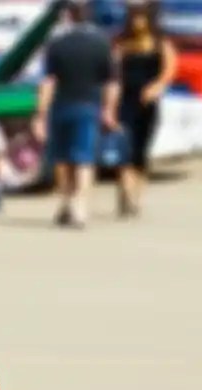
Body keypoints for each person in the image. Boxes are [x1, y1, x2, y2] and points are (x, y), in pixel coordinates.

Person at [33, 0, 117, 228]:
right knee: (84, 159)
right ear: (88, 13)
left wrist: (40, 114)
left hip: (62, 105)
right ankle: (79, 207)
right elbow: (110, 81)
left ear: (68, 14)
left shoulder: (57, 43)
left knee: (64, 160)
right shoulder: (101, 43)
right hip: (88, 106)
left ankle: (66, 203)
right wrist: (109, 111)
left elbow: (48, 81)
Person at [114, 1, 176, 217]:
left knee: (141, 151)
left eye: (140, 15)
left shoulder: (160, 42)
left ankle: (137, 195)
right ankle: (127, 193)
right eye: (133, 15)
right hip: (124, 101)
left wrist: (157, 86)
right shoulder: (121, 42)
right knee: (124, 150)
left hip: (148, 103)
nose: (137, 20)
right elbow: (114, 73)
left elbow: (169, 69)